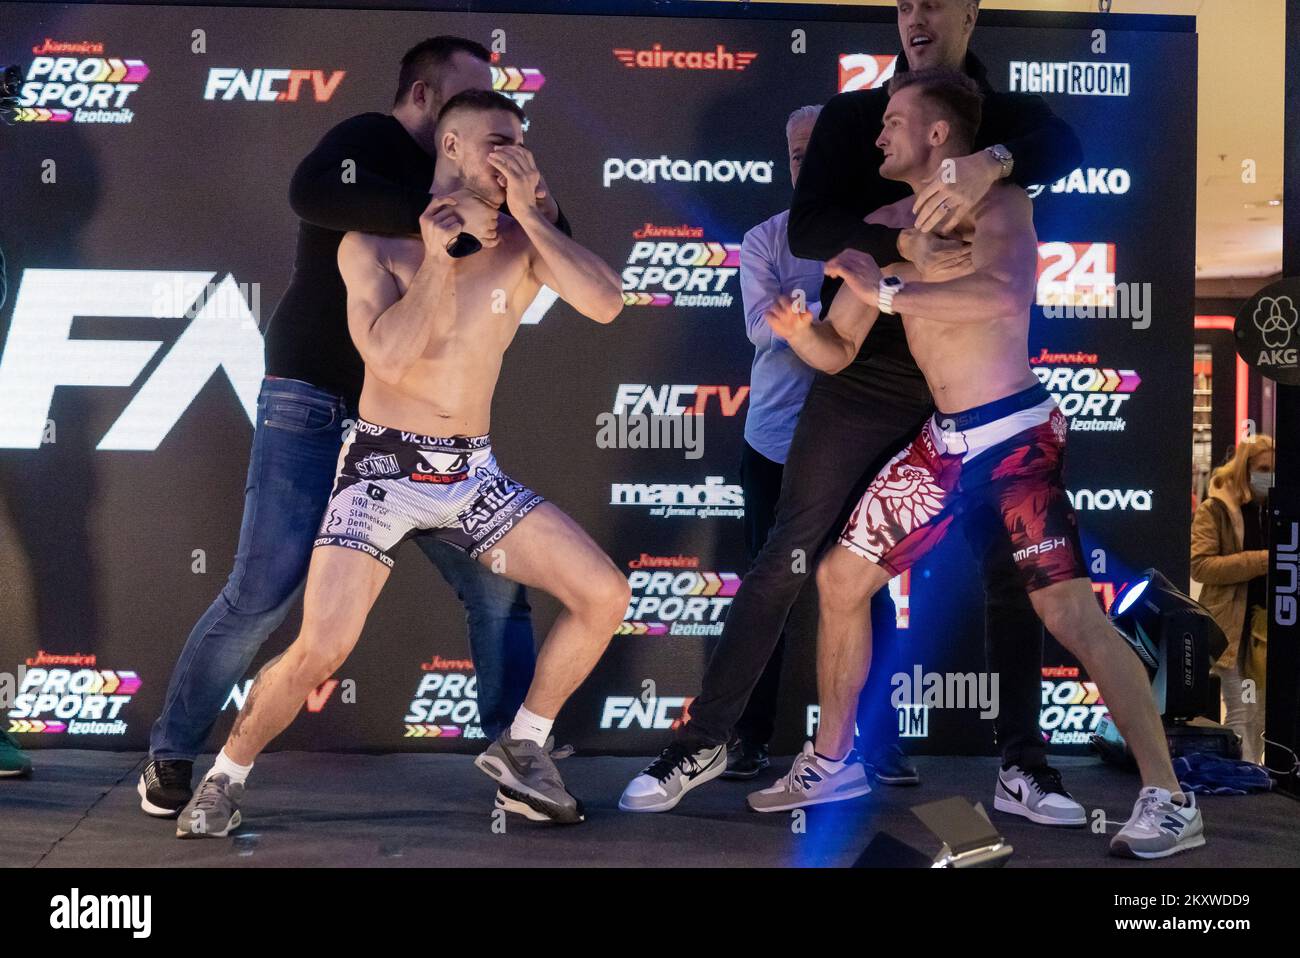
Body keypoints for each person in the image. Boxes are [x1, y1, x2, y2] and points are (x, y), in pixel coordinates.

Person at [621, 0, 1084, 822]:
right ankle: (705, 741)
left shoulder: (998, 119)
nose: (914, 14)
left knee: (1014, 574)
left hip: (972, 382)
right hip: (865, 369)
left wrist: (993, 163)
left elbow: (1067, 148)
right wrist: (901, 243)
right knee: (791, 556)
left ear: (969, 13)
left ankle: (1025, 766)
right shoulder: (859, 115)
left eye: (932, 1)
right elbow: (810, 227)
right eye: (902, 2)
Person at [756, 67, 1203, 859]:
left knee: (1067, 612)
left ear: (937, 133)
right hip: (946, 441)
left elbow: (1000, 295)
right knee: (840, 578)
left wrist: (890, 290)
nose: (878, 133)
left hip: (1014, 436)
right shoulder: (885, 221)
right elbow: (840, 350)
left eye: (894, 118)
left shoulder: (1002, 203)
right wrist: (800, 331)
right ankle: (831, 761)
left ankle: (1169, 797)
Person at [174, 90, 628, 837]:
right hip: (381, 471)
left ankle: (523, 748)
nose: (514, 154)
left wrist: (538, 213)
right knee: (321, 647)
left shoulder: (522, 244)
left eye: (523, 143)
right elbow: (385, 353)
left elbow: (607, 303)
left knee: (605, 594)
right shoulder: (369, 245)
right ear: (450, 147)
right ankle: (225, 778)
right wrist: (443, 259)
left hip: (471, 471)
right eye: (498, 140)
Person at [723, 105, 824, 780]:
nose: (804, 163)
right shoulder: (766, 238)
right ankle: (748, 737)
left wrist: (801, 312)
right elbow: (764, 327)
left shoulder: (876, 237)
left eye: (815, 150)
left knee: (867, 593)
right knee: (767, 596)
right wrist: (838, 311)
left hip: (859, 445)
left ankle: (878, 742)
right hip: (774, 446)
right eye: (794, 153)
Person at [1191, 434, 1274, 764]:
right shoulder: (1216, 509)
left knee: (1263, 717)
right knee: (1241, 712)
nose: (1269, 475)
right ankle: (1244, 782)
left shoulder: (1278, 510)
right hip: (1232, 625)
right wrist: (1264, 560)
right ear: (1246, 468)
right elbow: (1201, 565)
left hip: (1268, 626)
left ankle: (1254, 775)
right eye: (1263, 468)